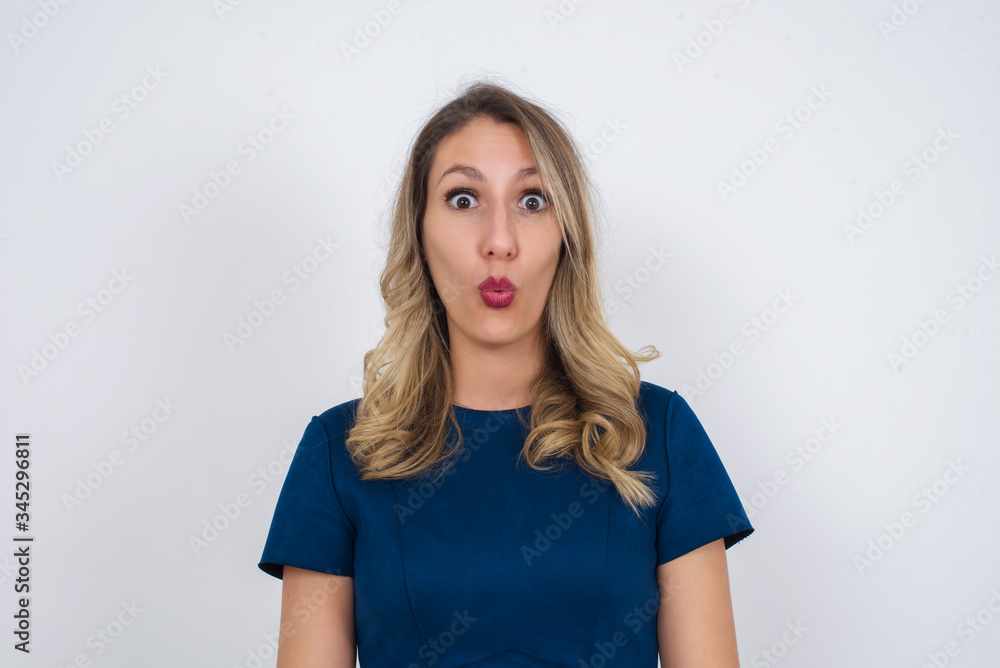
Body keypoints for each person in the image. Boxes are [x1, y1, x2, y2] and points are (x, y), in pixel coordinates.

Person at [258, 78, 754, 667]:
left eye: (532, 201)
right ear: (419, 232)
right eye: (463, 200)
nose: (500, 241)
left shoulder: (658, 434)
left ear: (566, 237)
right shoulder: (338, 453)